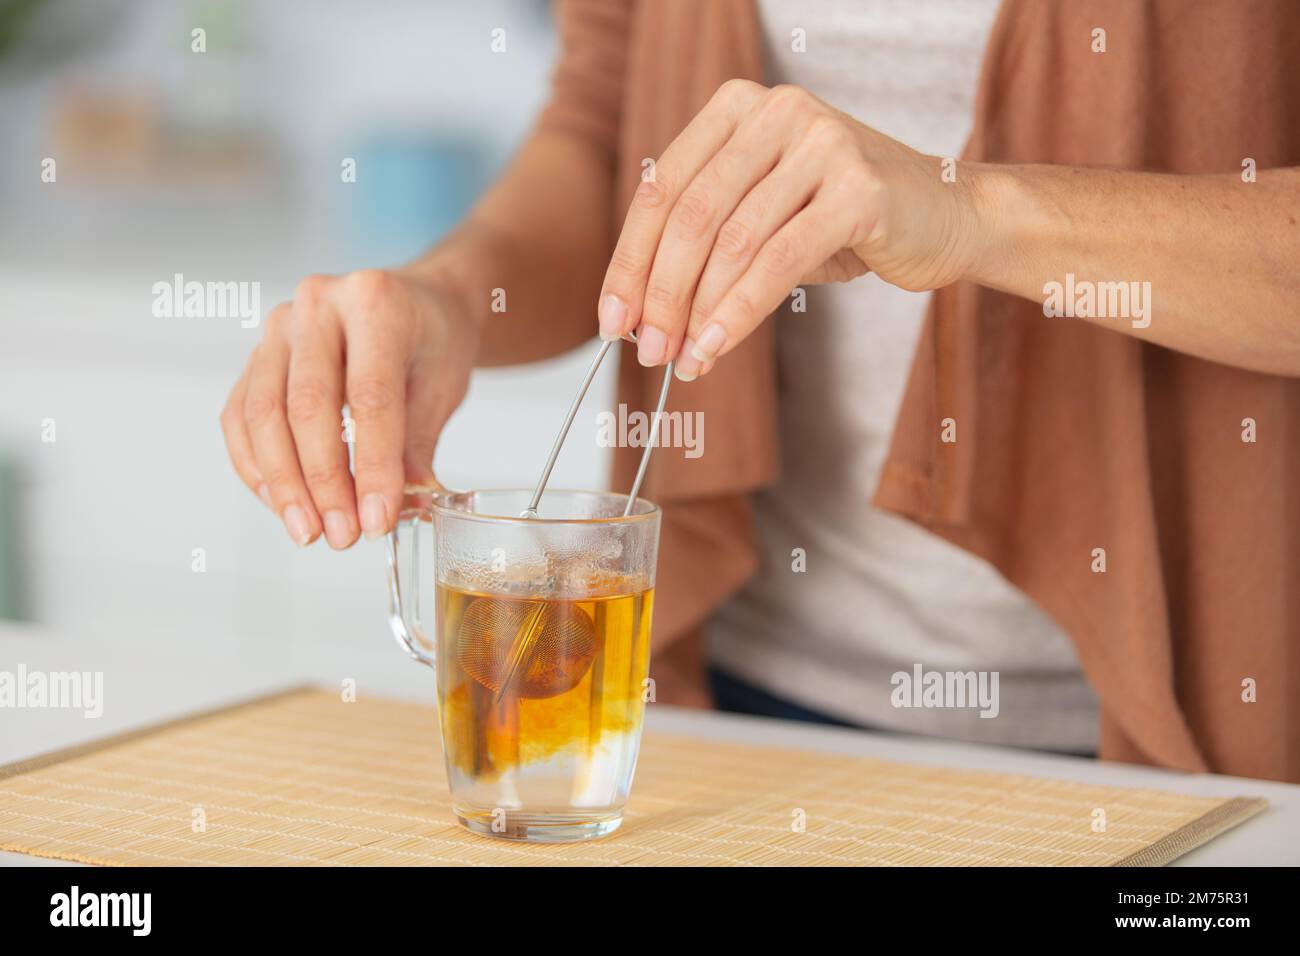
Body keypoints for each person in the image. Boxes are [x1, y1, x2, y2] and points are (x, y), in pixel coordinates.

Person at [221, 0, 1300, 780]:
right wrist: (448, 299)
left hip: (1175, 729)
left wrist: (970, 212)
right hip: (744, 707)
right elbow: (609, 134)